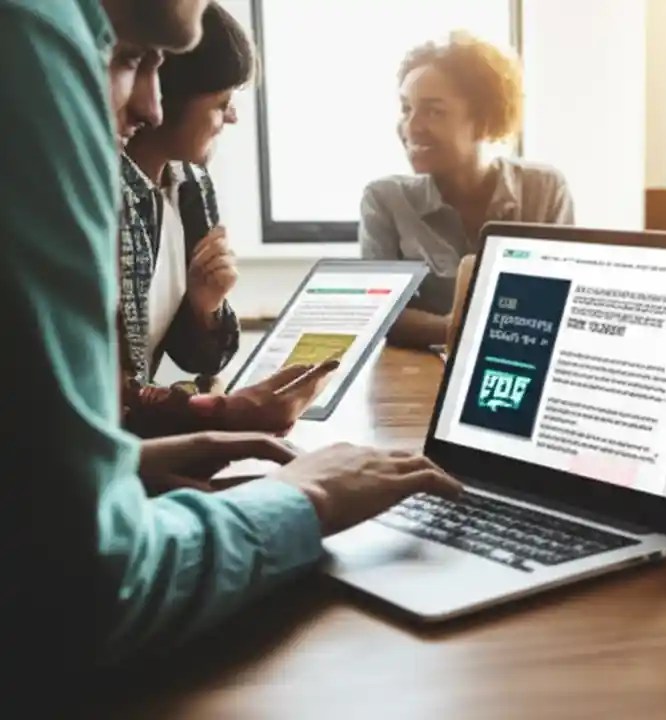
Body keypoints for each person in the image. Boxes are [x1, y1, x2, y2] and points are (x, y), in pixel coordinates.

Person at [0, 0, 460, 699]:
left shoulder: (191, 187)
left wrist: (142, 457)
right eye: (130, 59)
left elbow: (43, 452)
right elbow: (90, 584)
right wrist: (304, 496)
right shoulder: (35, 39)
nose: (147, 106)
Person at [114, 2, 332, 441]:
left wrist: (204, 308)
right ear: (169, 95)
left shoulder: (190, 185)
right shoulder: (105, 195)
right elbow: (112, 398)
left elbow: (201, 360)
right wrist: (224, 413)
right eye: (222, 102)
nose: (232, 116)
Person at [359, 31, 575, 350]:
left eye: (434, 111)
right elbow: (380, 314)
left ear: (485, 121)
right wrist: (462, 328)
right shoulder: (385, 200)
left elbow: (561, 298)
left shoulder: (543, 190)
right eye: (406, 109)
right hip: (420, 377)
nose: (412, 126)